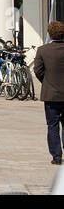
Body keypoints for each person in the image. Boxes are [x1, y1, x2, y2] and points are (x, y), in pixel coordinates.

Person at [34, 20, 64, 165]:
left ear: (49, 34)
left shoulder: (43, 50)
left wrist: (46, 82)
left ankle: (57, 157)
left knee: (52, 125)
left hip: (51, 95)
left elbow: (37, 70)